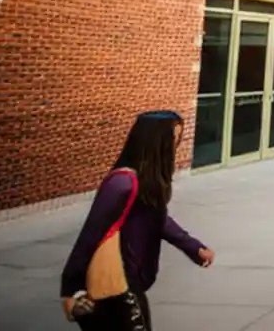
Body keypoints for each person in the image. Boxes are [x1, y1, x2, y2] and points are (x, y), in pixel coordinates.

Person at [61, 111, 214, 330]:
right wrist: (71, 289)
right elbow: (91, 234)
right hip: (116, 285)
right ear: (155, 142)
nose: (176, 147)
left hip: (131, 278)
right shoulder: (121, 183)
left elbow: (159, 219)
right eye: (173, 140)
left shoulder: (145, 182)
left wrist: (193, 247)